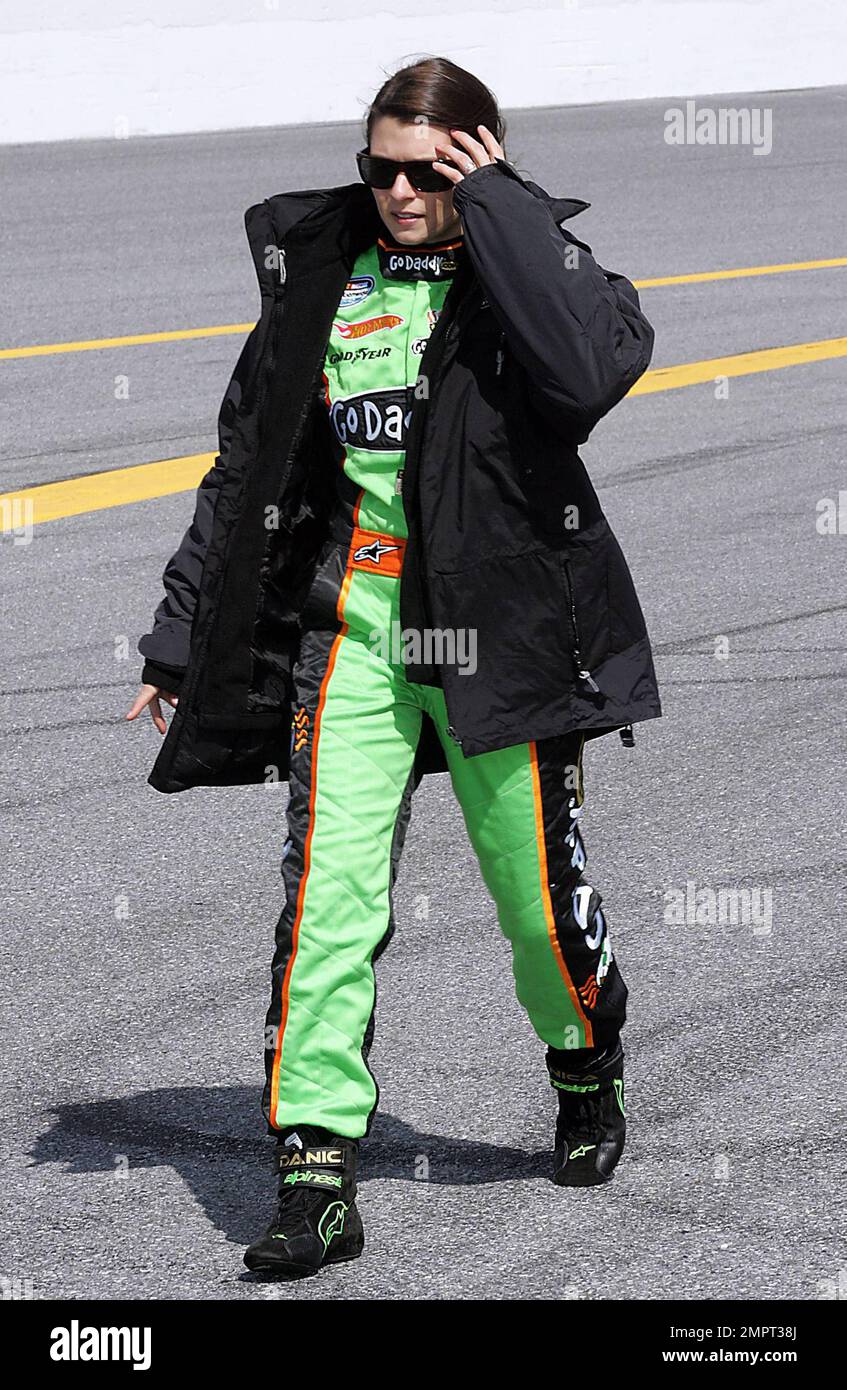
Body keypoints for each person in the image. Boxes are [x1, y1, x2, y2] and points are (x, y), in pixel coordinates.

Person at [127, 55, 661, 1280]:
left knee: (532, 908)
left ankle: (584, 1060)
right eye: (382, 168)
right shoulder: (323, 282)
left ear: (478, 155)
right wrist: (178, 630)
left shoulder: (530, 277)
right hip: (356, 628)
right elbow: (244, 473)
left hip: (496, 634)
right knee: (326, 908)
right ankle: (314, 1176)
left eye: (430, 170)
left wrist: (510, 212)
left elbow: (592, 374)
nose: (402, 192)